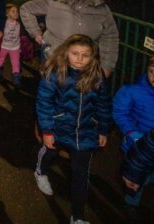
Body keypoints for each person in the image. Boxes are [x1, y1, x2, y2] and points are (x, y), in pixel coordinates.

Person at [33, 34, 111, 224]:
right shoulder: (54, 72)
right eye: (75, 53)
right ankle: (40, 171)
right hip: (59, 127)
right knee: (50, 152)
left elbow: (103, 105)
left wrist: (103, 129)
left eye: (85, 55)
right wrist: (47, 131)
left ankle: (77, 217)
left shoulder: (97, 76)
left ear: (93, 56)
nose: (80, 59)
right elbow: (44, 103)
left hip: (86, 132)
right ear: (66, 52)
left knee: (80, 175)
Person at [20, 0, 119, 77]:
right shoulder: (54, 0)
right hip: (53, 56)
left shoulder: (100, 8)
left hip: (85, 62)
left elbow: (110, 37)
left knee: (79, 92)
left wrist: (107, 66)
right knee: (49, 90)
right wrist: (35, 32)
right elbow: (26, 9)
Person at [113, 56, 154, 218]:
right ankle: (131, 201)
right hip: (136, 146)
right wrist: (132, 133)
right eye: (152, 72)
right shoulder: (133, 91)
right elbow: (119, 112)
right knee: (137, 177)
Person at [121, 128, 154, 223]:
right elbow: (145, 152)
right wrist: (133, 134)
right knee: (139, 182)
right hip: (137, 142)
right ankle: (131, 203)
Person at [0, 4, 28, 87]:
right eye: (13, 11)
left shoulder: (19, 24)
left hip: (15, 47)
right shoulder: (3, 24)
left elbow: (23, 34)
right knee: (0, 61)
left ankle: (16, 79)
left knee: (16, 63)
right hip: (4, 47)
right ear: (7, 14)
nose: (16, 13)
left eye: (17, 11)